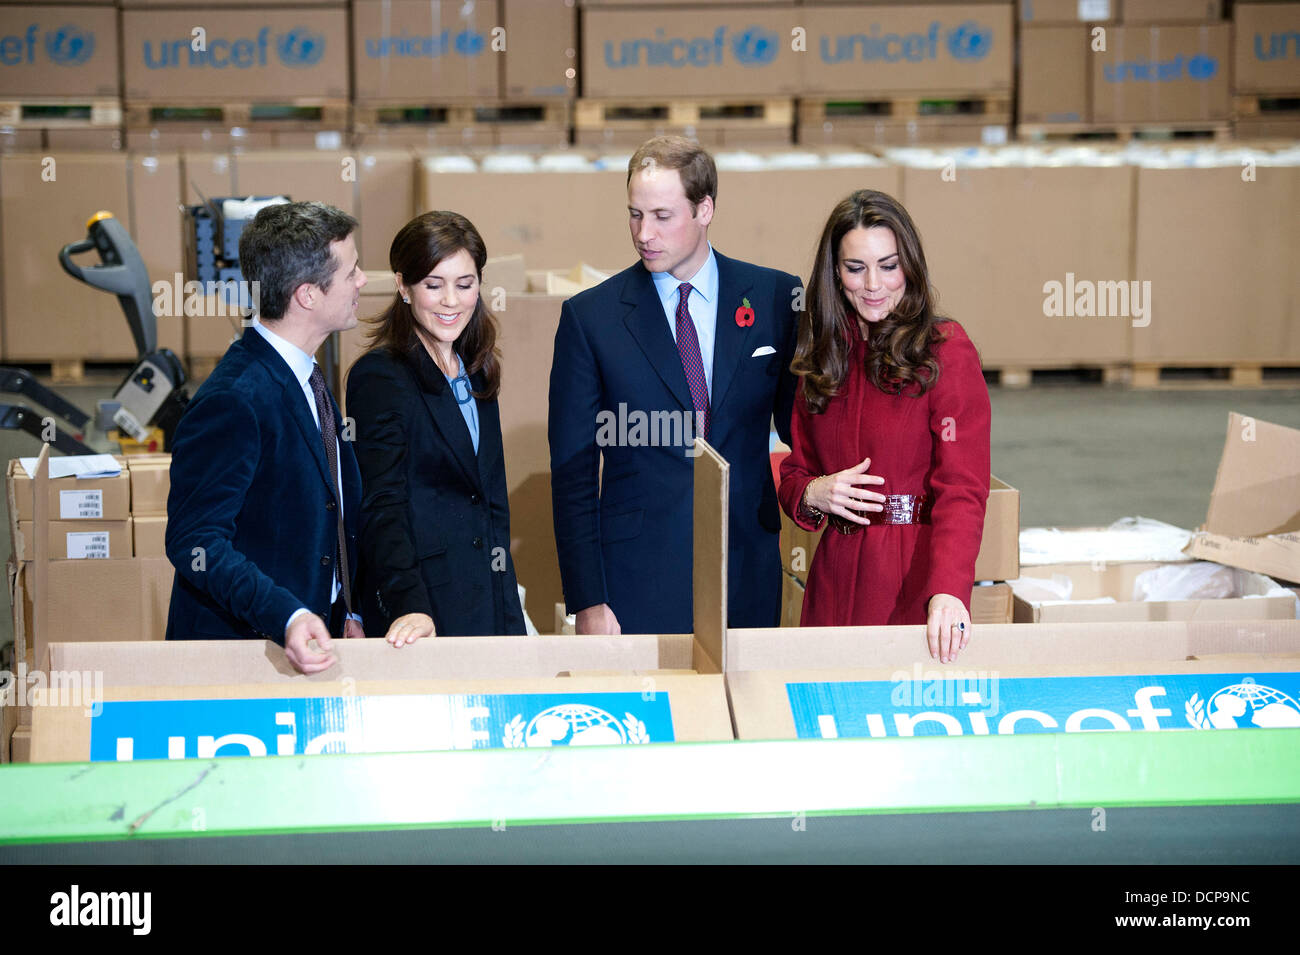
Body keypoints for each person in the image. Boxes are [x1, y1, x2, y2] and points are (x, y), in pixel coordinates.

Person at [549, 136, 800, 635]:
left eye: (663, 216)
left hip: (747, 568)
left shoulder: (775, 298)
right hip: (635, 580)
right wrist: (587, 601)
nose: (645, 233)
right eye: (635, 214)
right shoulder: (590, 318)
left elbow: (804, 428)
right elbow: (572, 472)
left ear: (705, 208)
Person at [778, 190, 990, 664]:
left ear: (909, 267)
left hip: (911, 582)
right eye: (856, 268)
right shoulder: (822, 358)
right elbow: (795, 473)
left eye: (888, 266)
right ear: (835, 272)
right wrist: (815, 493)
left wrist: (950, 591)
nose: (873, 284)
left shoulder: (946, 352)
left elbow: (963, 489)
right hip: (833, 578)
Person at [165, 201, 367, 674]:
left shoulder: (307, 376)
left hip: (317, 638)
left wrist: (347, 605)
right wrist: (289, 614)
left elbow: (326, 506)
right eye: (351, 272)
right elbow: (196, 544)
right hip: (244, 658)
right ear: (307, 295)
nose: (362, 281)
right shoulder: (235, 399)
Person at [346, 211, 525, 643]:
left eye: (465, 284)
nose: (451, 301)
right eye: (433, 285)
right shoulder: (381, 376)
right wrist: (409, 605)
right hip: (424, 608)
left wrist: (508, 610)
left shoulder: (477, 369)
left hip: (489, 599)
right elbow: (381, 505)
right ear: (403, 287)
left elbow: (491, 502)